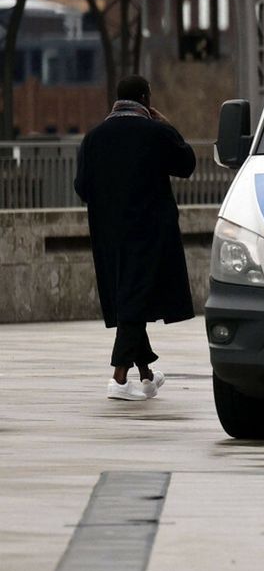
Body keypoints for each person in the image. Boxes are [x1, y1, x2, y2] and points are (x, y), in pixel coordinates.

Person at [74, 76, 197, 401]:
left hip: (108, 233)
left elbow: (82, 188)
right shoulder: (155, 133)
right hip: (149, 230)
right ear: (145, 99)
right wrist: (169, 127)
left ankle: (146, 376)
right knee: (135, 297)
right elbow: (186, 165)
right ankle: (118, 377)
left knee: (130, 295)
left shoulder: (93, 138)